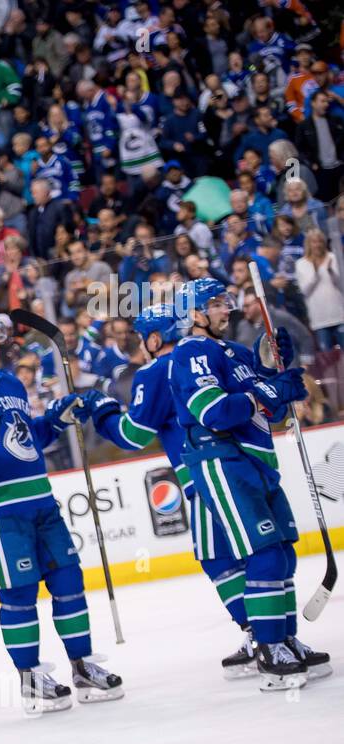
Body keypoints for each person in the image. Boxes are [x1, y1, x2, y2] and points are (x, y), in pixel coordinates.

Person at [0, 307, 124, 713]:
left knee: (69, 580)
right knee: (19, 593)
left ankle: (82, 665)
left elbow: (27, 439)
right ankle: (31, 676)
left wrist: (56, 419)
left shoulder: (10, 383)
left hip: (39, 498)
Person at [168, 279, 330, 690]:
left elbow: (270, 410)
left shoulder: (237, 353)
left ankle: (285, 640)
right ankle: (268, 648)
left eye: (226, 301)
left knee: (282, 554)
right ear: (194, 314)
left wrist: (277, 375)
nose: (227, 309)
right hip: (223, 460)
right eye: (216, 303)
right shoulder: (191, 352)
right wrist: (268, 391)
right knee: (264, 554)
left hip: (257, 462)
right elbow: (215, 412)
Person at [84, 305, 258, 672]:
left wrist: (102, 412)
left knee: (218, 557)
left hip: (203, 474)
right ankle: (274, 633)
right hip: (244, 464)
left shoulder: (156, 370)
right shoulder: (207, 353)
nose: (139, 346)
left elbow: (133, 435)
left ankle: (262, 634)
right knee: (254, 551)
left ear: (154, 338)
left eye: (141, 338)